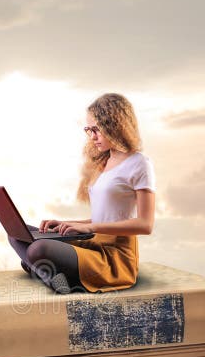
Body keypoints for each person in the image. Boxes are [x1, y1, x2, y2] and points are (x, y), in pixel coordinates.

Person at [8, 93, 155, 294]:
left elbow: (145, 225)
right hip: (92, 240)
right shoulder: (102, 162)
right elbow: (105, 217)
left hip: (114, 256)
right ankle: (46, 271)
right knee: (19, 234)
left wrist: (89, 227)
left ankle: (42, 270)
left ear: (115, 125)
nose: (92, 136)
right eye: (89, 130)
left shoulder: (139, 163)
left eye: (97, 129)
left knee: (38, 249)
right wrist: (68, 224)